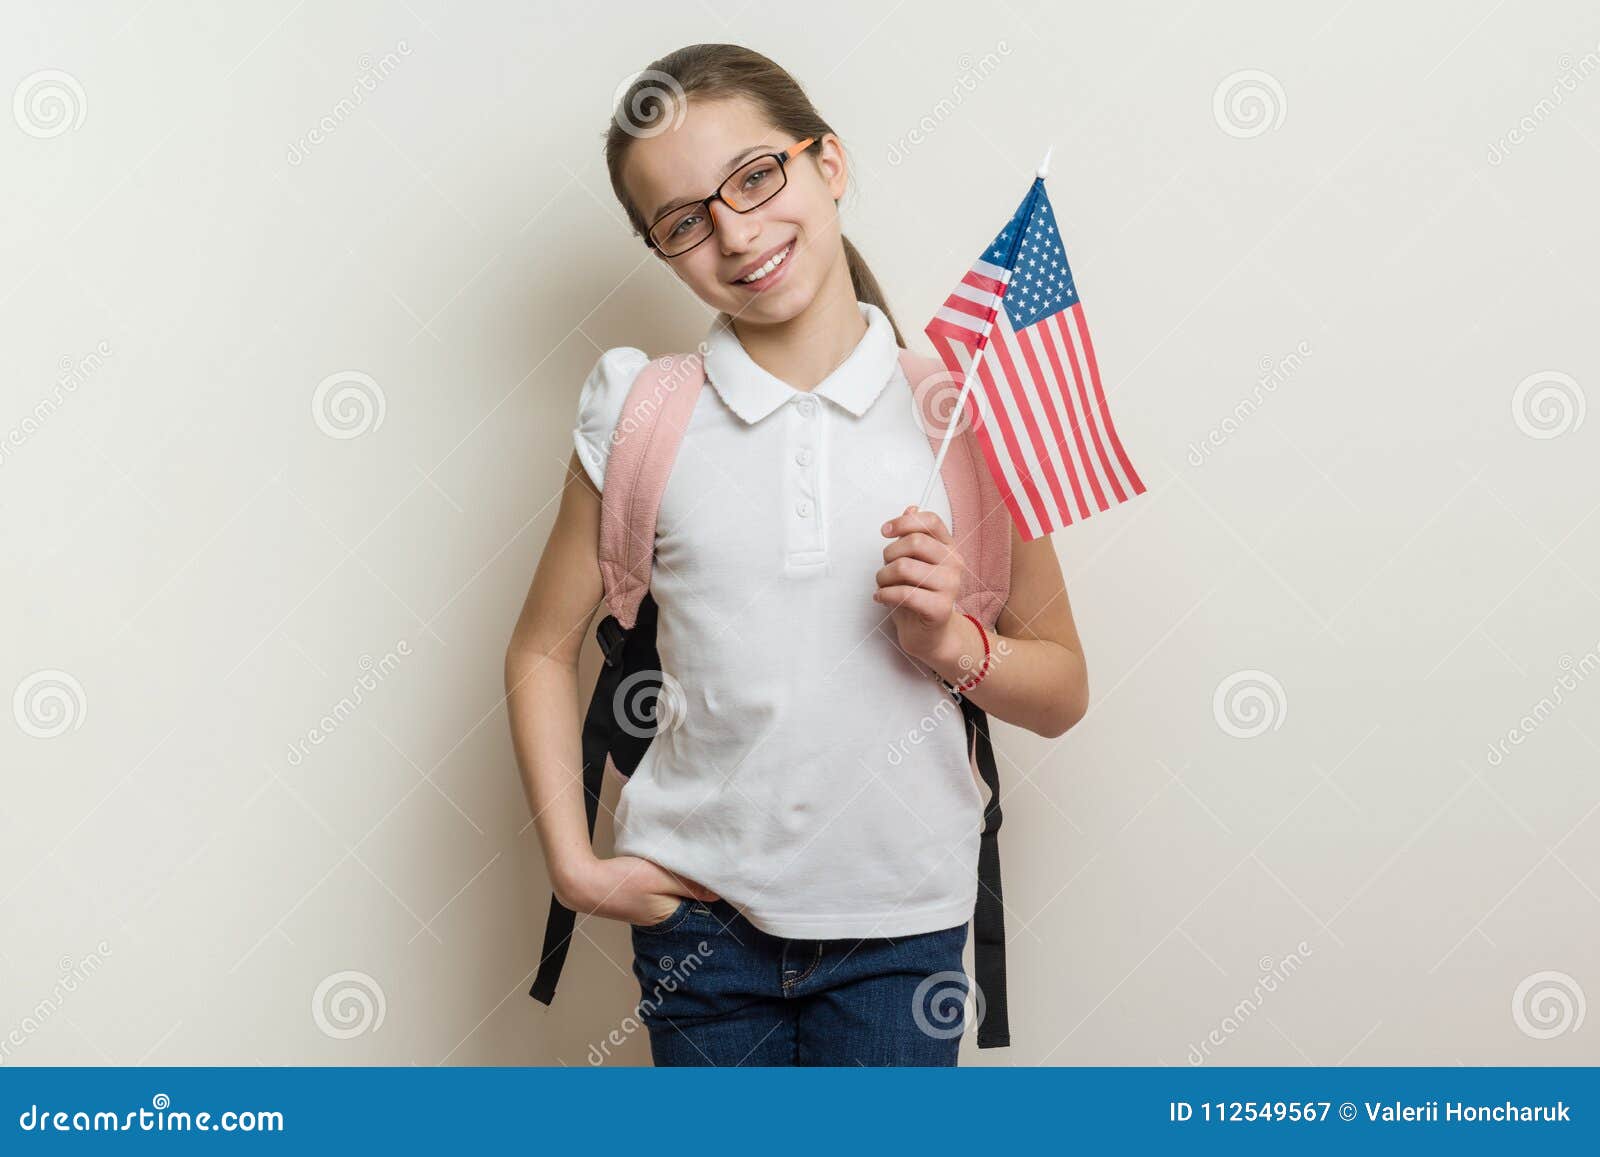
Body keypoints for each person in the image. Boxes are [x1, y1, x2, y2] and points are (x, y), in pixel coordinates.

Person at [504, 43, 1089, 1066]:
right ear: (664, 247)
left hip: (901, 929)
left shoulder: (962, 413)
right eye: (685, 220)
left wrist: (954, 640)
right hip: (698, 929)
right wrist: (575, 864)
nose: (735, 231)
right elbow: (542, 652)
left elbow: (1062, 689)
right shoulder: (645, 410)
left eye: (755, 175)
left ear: (828, 164)